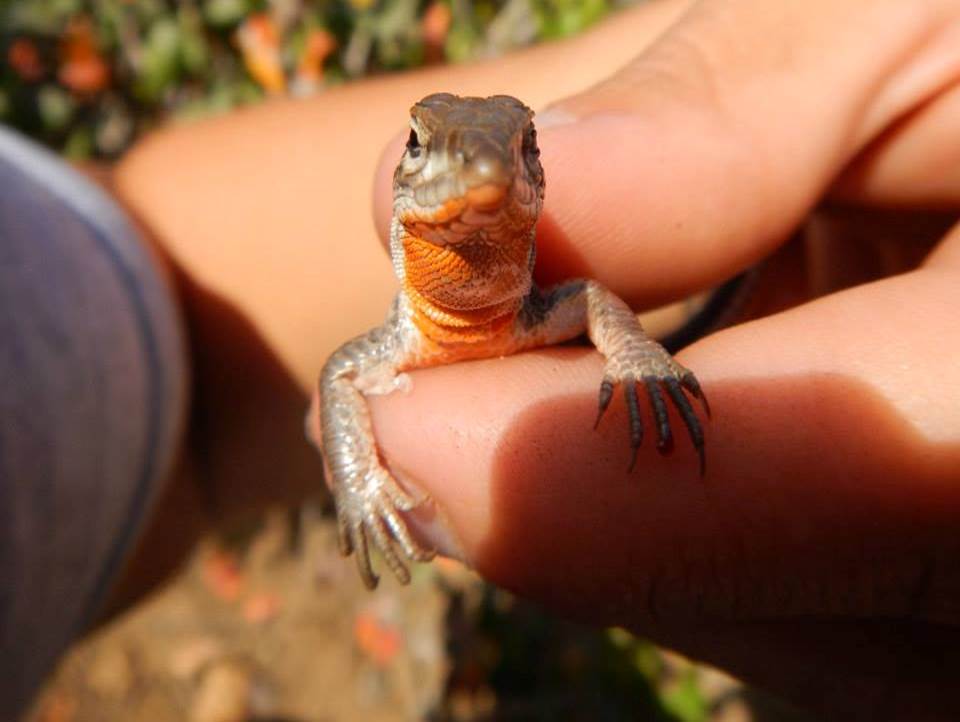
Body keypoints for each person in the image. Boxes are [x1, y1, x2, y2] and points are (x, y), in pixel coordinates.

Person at [4, 0, 960, 718]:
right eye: (425, 147)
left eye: (522, 149)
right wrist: (360, 477)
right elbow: (341, 376)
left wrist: (631, 353)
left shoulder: (551, 296)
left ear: (533, 169)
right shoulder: (409, 332)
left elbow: (587, 301)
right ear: (412, 156)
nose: (479, 170)